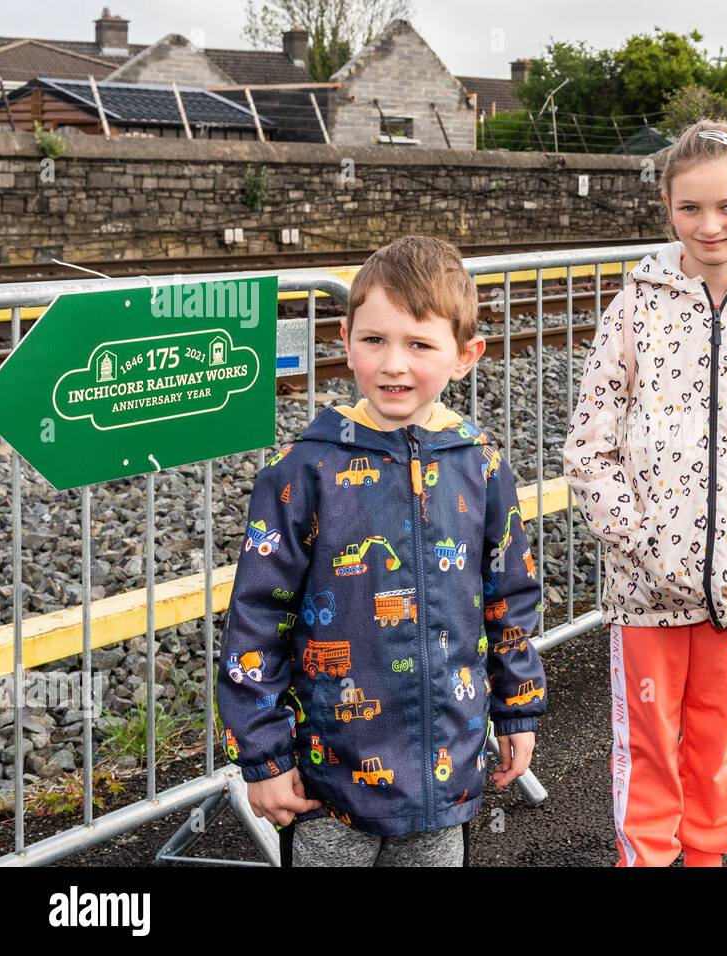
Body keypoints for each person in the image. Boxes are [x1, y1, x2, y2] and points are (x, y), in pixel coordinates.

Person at [217, 235, 546, 866]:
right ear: (346, 339)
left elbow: (511, 596)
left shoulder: (481, 467)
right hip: (329, 775)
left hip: (446, 770)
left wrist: (518, 710)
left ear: (465, 355)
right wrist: (262, 755)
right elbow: (257, 618)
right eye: (375, 340)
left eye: (419, 344)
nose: (394, 363)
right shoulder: (302, 472)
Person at [563, 119, 727, 866]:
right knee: (648, 754)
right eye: (691, 208)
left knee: (714, 750)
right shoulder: (634, 310)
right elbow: (590, 448)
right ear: (666, 206)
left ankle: (709, 856)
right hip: (645, 593)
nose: (709, 225)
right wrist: (641, 540)